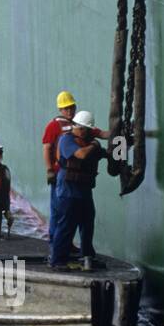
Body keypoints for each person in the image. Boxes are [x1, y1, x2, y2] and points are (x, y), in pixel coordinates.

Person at [49, 111, 106, 270]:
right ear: (80, 128)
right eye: (87, 130)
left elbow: (108, 154)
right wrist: (94, 144)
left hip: (84, 191)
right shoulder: (66, 140)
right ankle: (58, 260)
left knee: (88, 224)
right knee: (66, 224)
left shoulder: (87, 142)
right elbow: (80, 155)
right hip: (68, 191)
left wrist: (122, 143)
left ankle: (87, 256)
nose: (88, 133)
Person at [42, 91, 78, 237]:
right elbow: (47, 147)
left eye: (71, 107)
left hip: (73, 174)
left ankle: (66, 243)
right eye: (66, 108)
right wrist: (50, 170)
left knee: (69, 210)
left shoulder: (78, 125)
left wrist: (115, 132)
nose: (69, 110)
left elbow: (98, 133)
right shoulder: (54, 126)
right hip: (59, 174)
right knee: (58, 209)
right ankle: (54, 242)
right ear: (60, 110)